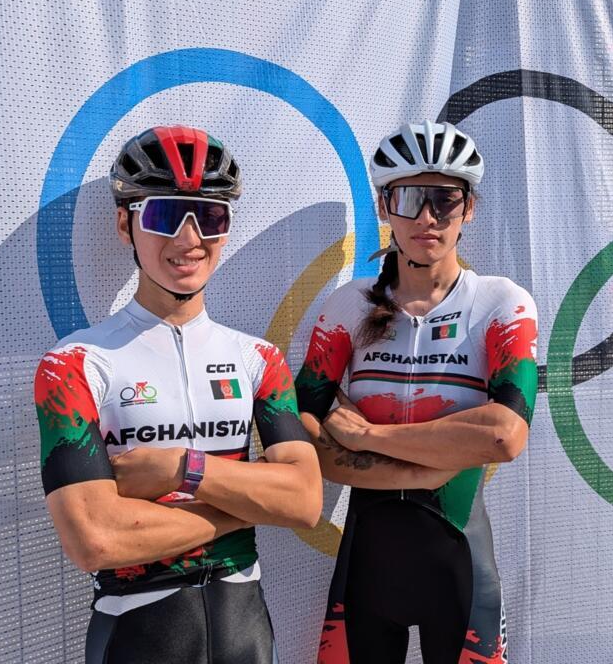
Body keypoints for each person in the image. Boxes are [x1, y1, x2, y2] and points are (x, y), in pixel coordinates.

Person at [34, 125, 322, 664]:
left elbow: (305, 501)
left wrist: (181, 470)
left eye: (209, 217)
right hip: (138, 630)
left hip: (246, 628)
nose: (190, 240)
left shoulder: (260, 358)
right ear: (125, 224)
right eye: (165, 216)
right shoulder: (74, 364)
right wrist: (248, 508)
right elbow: (94, 539)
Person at [296, 121, 538, 664]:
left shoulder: (501, 304)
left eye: (444, 200)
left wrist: (369, 434)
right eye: (409, 198)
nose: (427, 217)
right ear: (385, 206)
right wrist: (427, 462)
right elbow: (296, 436)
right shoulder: (346, 308)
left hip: (458, 565)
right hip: (366, 569)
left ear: (468, 209)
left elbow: (503, 436)